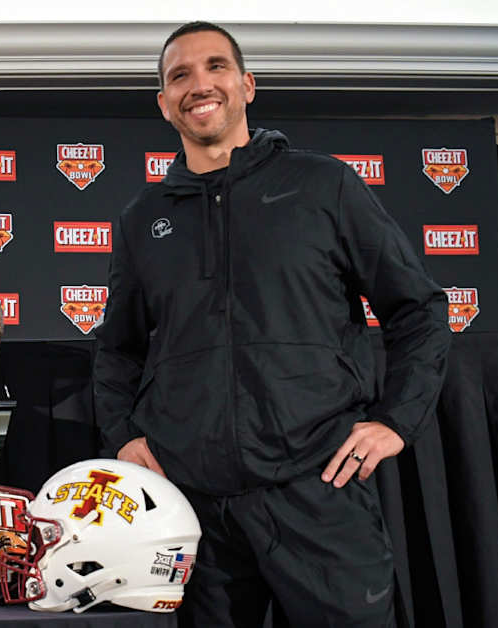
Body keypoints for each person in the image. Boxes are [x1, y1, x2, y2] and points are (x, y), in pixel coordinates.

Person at [94, 22, 451, 627]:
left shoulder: (323, 184)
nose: (199, 85)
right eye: (179, 75)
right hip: (192, 510)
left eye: (215, 68)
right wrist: (125, 436)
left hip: (318, 494)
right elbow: (116, 350)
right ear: (163, 103)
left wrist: (395, 421)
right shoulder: (142, 220)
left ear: (247, 85)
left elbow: (418, 309)